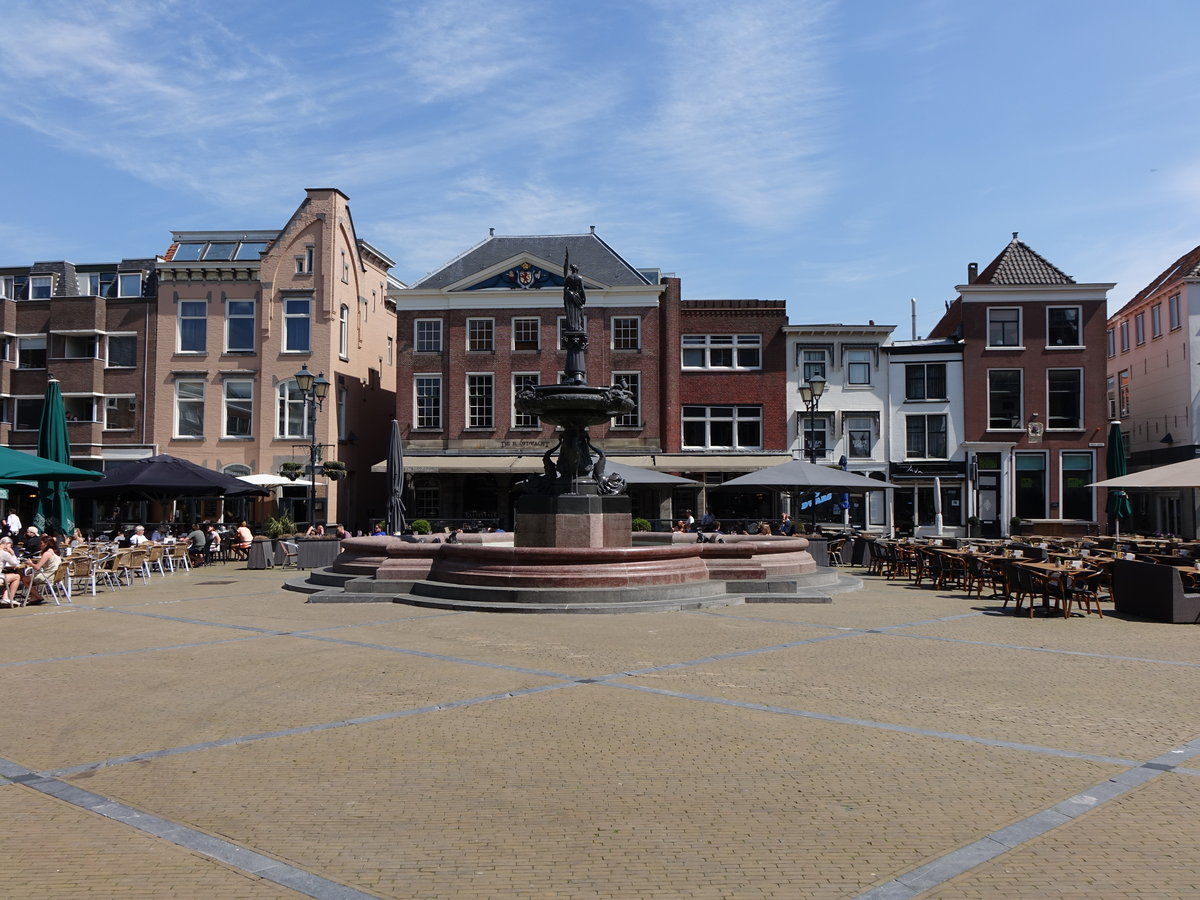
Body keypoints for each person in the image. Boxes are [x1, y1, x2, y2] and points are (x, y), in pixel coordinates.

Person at [21, 535, 61, 604]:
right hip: (54, 575)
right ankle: (34, 597)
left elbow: (37, 567)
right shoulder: (54, 552)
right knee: (30, 577)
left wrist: (30, 563)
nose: (40, 545)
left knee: (24, 579)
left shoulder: (47, 553)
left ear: (46, 544)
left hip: (47, 576)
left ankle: (38, 596)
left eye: (41, 543)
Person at [0, 537, 23, 606]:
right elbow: (15, 563)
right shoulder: (4, 553)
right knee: (17, 576)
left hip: (2, 575)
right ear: (7, 544)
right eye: (11, 546)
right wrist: (12, 553)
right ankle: (10, 599)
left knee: (7, 577)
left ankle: (5, 597)